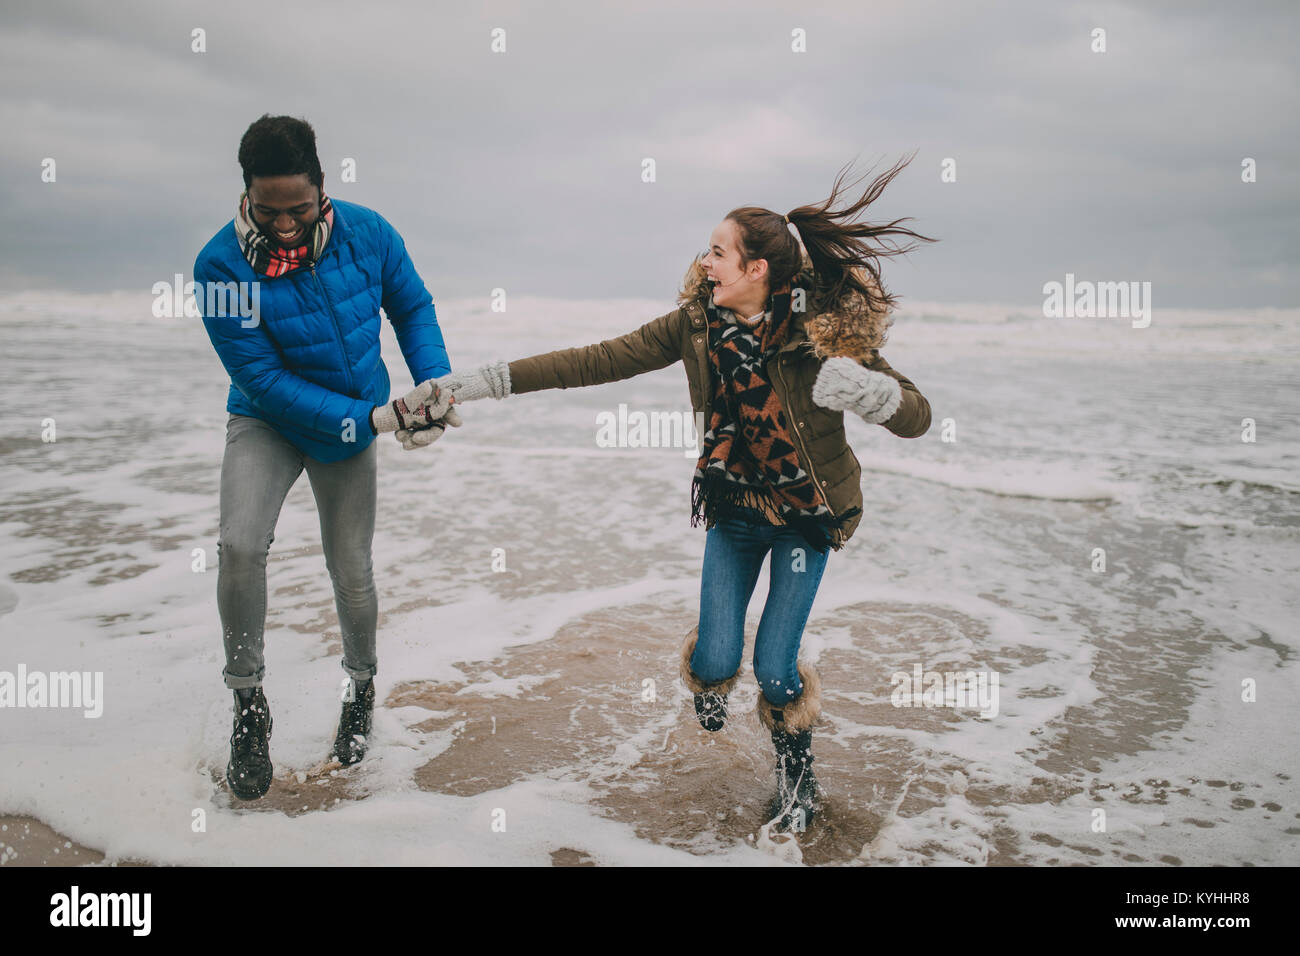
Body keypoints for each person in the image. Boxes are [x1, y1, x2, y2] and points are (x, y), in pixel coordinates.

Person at [399, 157, 935, 830]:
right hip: (735, 516)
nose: (704, 262)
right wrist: (467, 385)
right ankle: (711, 676)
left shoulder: (821, 334)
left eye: (718, 252)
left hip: (806, 521)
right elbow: (592, 360)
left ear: (756, 269)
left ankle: (797, 776)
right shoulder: (694, 326)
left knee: (774, 668)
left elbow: (918, 415)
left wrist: (870, 392)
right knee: (716, 659)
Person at [193, 114, 459, 801]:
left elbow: (412, 306)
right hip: (268, 421)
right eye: (268, 210)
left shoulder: (369, 232)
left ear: (322, 187)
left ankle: (360, 689)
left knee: (352, 570)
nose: (285, 225)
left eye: (300, 209)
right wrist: (365, 419)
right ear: (247, 194)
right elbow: (262, 379)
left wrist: (432, 382)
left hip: (356, 418)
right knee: (240, 546)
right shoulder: (218, 265)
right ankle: (249, 706)